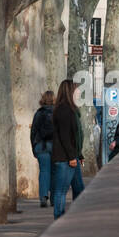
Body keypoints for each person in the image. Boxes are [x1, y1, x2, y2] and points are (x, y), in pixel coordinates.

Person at [51, 78, 86, 219]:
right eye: (76, 89)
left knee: (79, 189)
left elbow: (75, 136)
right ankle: (58, 218)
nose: (79, 92)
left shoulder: (71, 110)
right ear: (70, 91)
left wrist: (79, 154)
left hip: (72, 156)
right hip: (65, 158)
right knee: (61, 190)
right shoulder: (64, 110)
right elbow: (65, 137)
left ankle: (78, 216)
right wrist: (72, 157)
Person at [30, 90, 56, 206]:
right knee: (55, 172)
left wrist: (33, 147)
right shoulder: (57, 112)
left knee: (44, 171)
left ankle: (43, 197)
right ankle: (55, 197)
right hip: (55, 146)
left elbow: (33, 131)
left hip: (41, 146)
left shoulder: (39, 113)